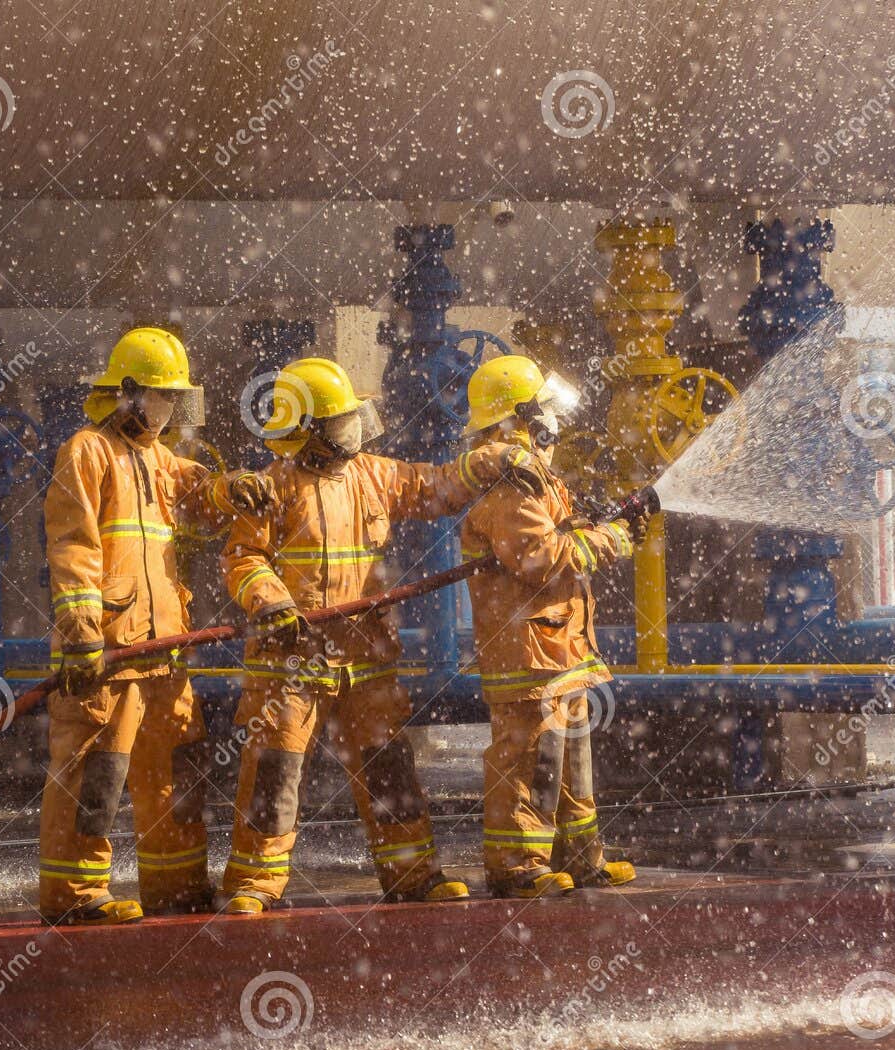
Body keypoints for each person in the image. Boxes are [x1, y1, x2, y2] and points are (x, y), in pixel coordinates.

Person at [217, 356, 534, 914]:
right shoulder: (272, 487)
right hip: (293, 663)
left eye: (352, 420)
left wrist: (493, 459)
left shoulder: (372, 474)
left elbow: (436, 486)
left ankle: (412, 874)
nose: (353, 432)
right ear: (308, 429)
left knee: (389, 766)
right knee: (276, 771)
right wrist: (272, 601)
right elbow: (243, 559)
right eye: (340, 423)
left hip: (366, 659)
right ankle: (253, 885)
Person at [40, 326, 278, 925]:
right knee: (97, 773)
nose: (169, 409)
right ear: (127, 392)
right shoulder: (87, 451)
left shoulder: (157, 458)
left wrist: (232, 490)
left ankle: (175, 885)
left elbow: (198, 493)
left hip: (163, 653)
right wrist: (82, 633)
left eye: (176, 398)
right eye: (162, 396)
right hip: (110, 653)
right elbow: (73, 547)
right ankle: (77, 896)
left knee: (177, 772)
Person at [460, 355, 645, 899]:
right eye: (541, 408)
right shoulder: (511, 484)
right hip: (526, 651)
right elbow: (537, 557)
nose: (552, 421)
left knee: (571, 760)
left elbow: (556, 539)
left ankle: (580, 857)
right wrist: (611, 539)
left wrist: (602, 523)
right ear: (518, 417)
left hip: (557, 646)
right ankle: (518, 867)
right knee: (527, 761)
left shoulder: (533, 474)